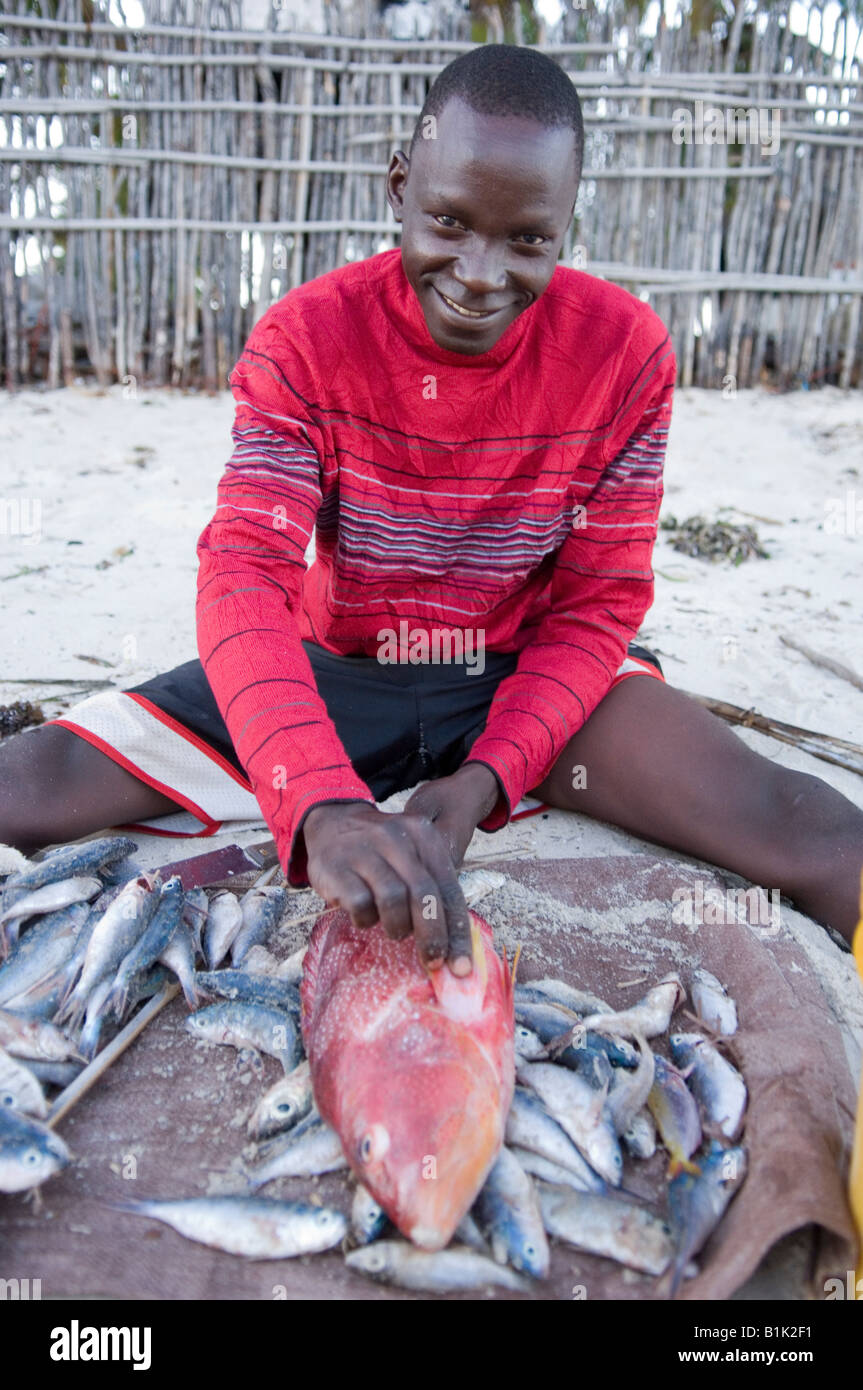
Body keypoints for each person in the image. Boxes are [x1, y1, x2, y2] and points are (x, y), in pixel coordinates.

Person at [1, 45, 861, 976]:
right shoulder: (305, 341)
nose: (482, 272)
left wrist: (486, 781)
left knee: (801, 831)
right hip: (331, 674)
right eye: (448, 221)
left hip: (524, 677)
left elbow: (597, 606)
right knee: (33, 785)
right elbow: (245, 572)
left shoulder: (626, 354)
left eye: (527, 238)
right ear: (399, 188)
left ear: (566, 227)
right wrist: (318, 800)